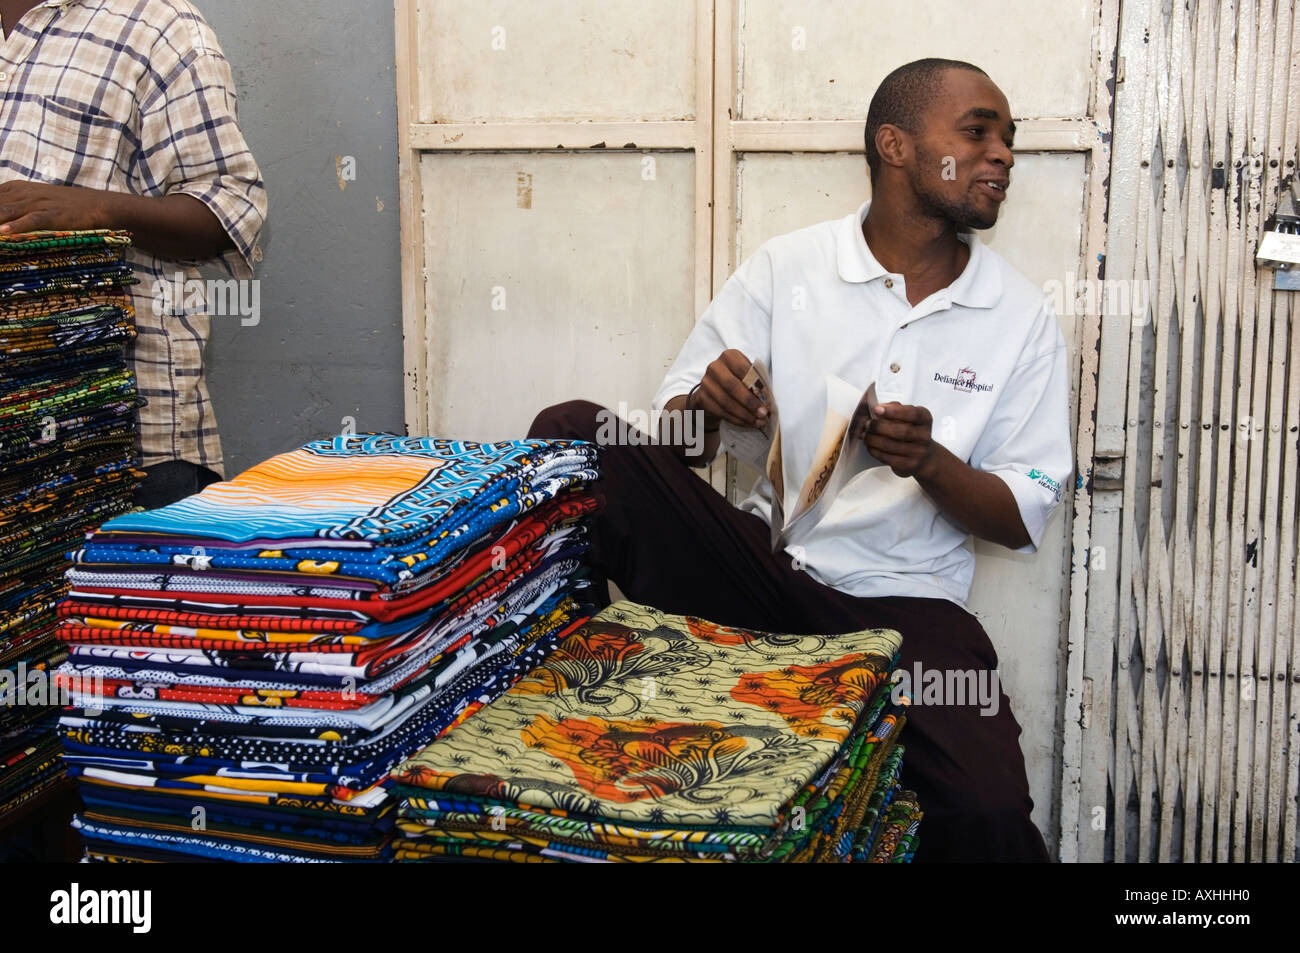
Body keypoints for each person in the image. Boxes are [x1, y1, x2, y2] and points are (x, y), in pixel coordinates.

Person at [529, 58, 1073, 862]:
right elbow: (677, 447)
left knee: (988, 809)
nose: (1004, 155)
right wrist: (707, 411)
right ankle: (560, 671)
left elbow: (1019, 514)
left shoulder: (1019, 314)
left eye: (1009, 138)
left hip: (907, 610)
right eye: (978, 131)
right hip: (765, 576)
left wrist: (930, 461)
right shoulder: (791, 268)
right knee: (574, 433)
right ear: (895, 144)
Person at [0, 0, 267, 508]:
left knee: (123, 587)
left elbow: (232, 207)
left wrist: (98, 209)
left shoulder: (158, 25)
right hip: (8, 442)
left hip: (129, 439)